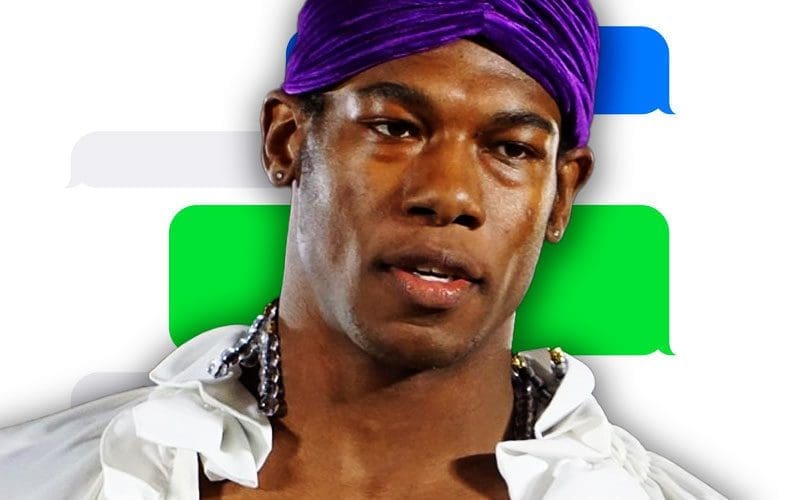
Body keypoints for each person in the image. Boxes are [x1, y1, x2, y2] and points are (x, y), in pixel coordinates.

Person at [0, 0, 726, 498]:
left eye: (510, 148)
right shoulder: (37, 478)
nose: (450, 194)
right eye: (395, 128)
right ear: (287, 140)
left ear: (561, 194)